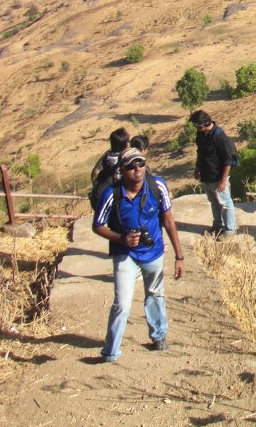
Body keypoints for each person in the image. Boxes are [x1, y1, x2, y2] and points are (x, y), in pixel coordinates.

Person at [92, 148, 184, 362]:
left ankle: (159, 336)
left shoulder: (157, 186)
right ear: (122, 170)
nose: (137, 169)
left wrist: (179, 256)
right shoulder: (112, 194)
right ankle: (111, 351)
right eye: (131, 166)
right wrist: (121, 239)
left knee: (155, 294)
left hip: (153, 252)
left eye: (140, 164)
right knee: (122, 303)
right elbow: (98, 225)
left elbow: (168, 220)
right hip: (125, 253)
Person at [190, 110, 237, 240]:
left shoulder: (220, 137)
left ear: (205, 123)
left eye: (198, 126)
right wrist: (197, 168)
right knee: (214, 202)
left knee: (225, 203)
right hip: (206, 175)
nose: (197, 129)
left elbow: (228, 161)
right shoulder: (201, 134)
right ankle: (217, 225)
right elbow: (200, 152)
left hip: (218, 177)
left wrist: (223, 181)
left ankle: (229, 230)